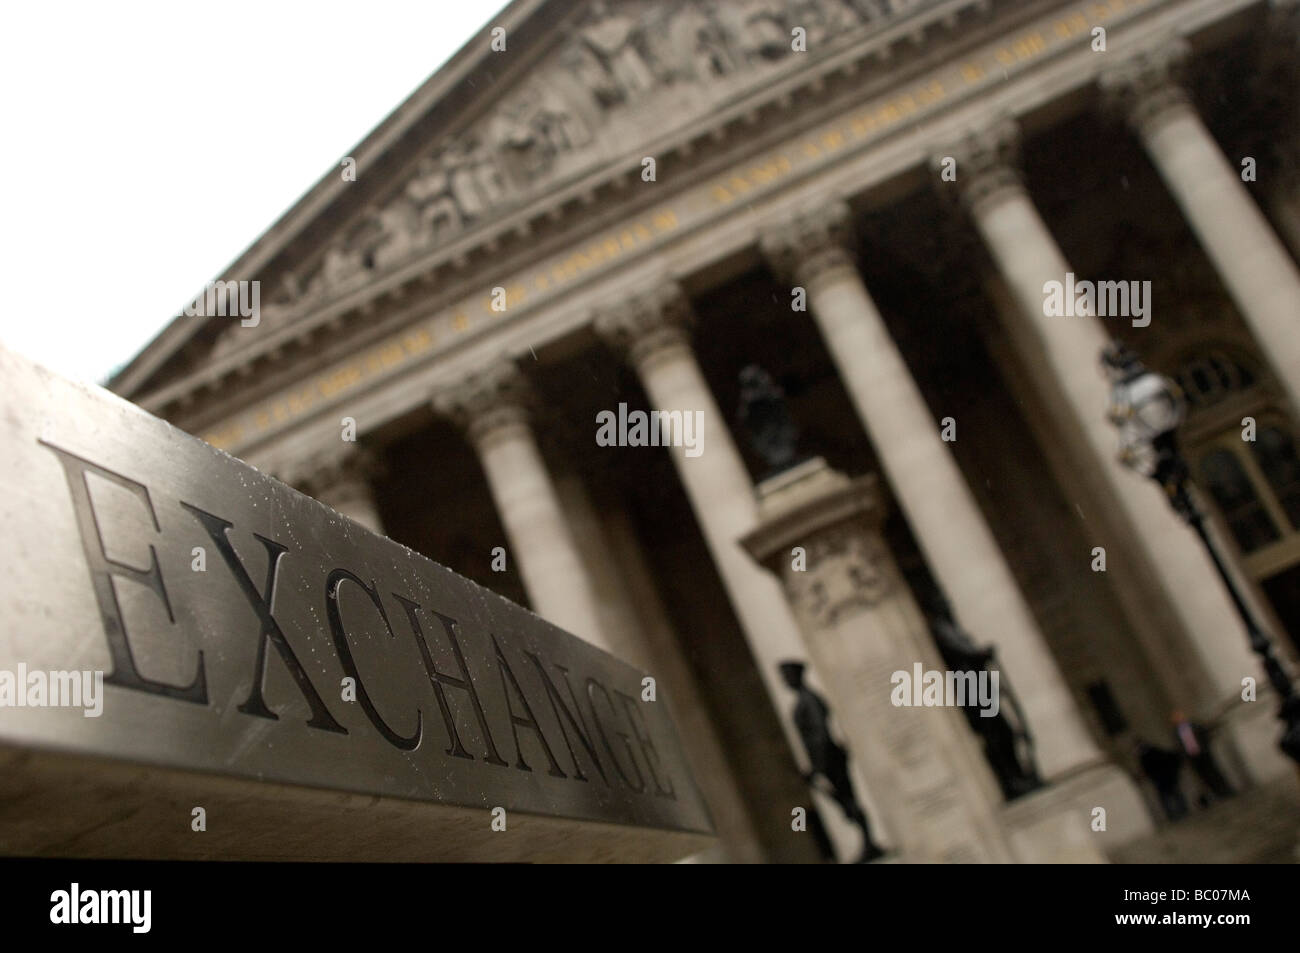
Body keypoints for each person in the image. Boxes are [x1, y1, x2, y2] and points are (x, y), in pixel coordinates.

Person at [779, 661, 885, 862]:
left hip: (829, 758)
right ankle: (867, 842)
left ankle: (869, 843)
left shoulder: (809, 699)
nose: (784, 681)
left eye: (786, 676)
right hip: (825, 759)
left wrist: (817, 767)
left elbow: (821, 733)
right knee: (844, 800)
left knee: (847, 799)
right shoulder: (804, 700)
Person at [1171, 710, 1235, 805]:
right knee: (1205, 776)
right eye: (1176, 719)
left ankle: (1227, 790)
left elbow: (1204, 734)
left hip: (1203, 753)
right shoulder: (1176, 733)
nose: (1178, 719)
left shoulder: (1194, 725)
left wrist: (1205, 745)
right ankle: (1218, 793)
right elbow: (1179, 746)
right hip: (1193, 757)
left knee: (1214, 771)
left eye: (1179, 717)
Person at [1135, 740, 1188, 821]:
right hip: (1166, 777)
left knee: (1167, 797)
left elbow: (1147, 770)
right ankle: (1182, 811)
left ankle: (1173, 815)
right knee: (1175, 794)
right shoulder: (1155, 751)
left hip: (1160, 779)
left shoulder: (1145, 757)